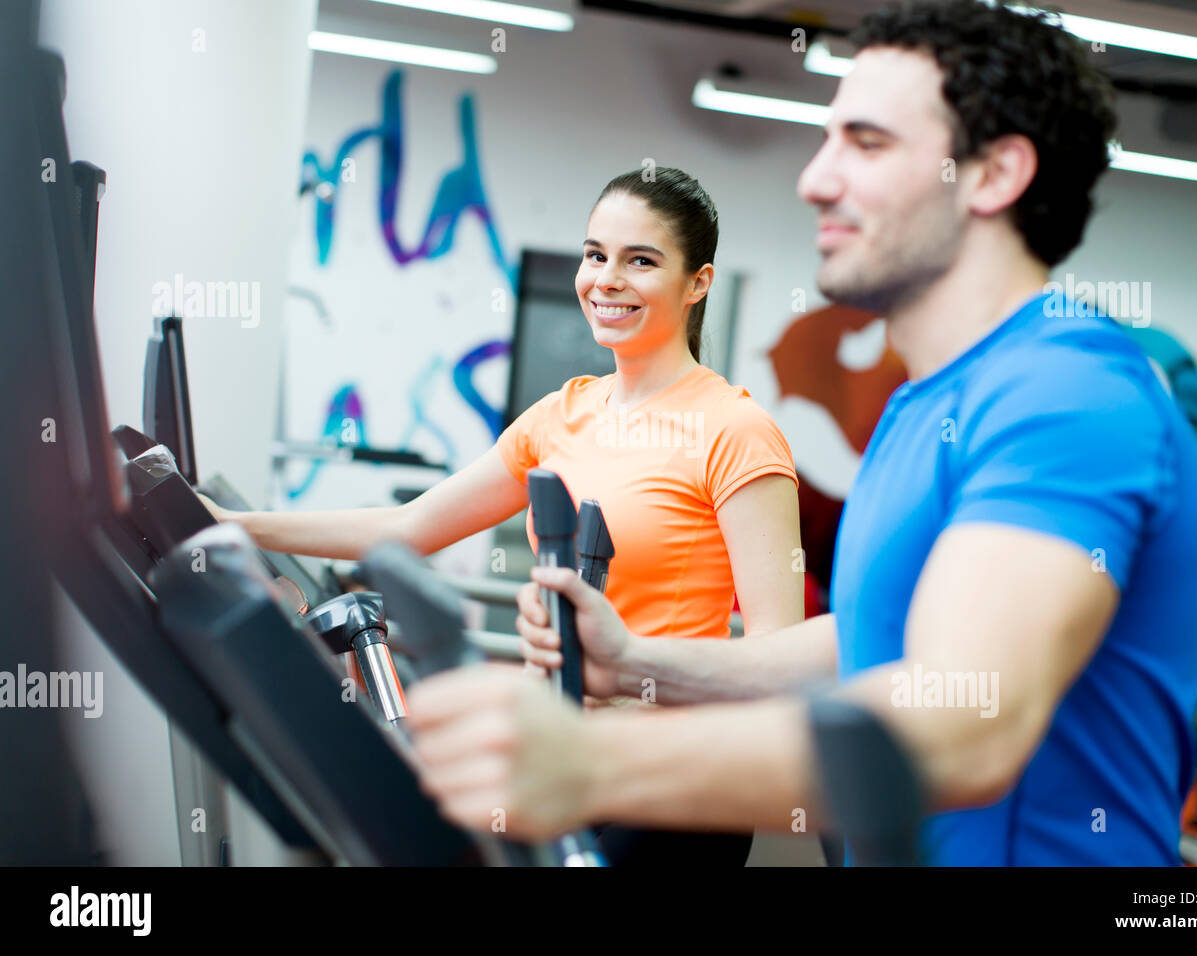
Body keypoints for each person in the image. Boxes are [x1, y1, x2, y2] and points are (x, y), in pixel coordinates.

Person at [403, 0, 1197, 866]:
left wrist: (591, 760)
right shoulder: (922, 407)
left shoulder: (1068, 394)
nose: (814, 179)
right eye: (827, 141)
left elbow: (964, 724)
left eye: (866, 144)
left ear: (993, 174)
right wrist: (637, 661)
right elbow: (868, 637)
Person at [204, 167, 804, 865]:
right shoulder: (562, 414)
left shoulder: (735, 429)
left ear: (698, 281)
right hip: (560, 756)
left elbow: (778, 656)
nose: (607, 279)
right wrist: (235, 525)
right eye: (595, 254)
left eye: (641, 260)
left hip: (672, 779)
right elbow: (410, 528)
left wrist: (638, 697)